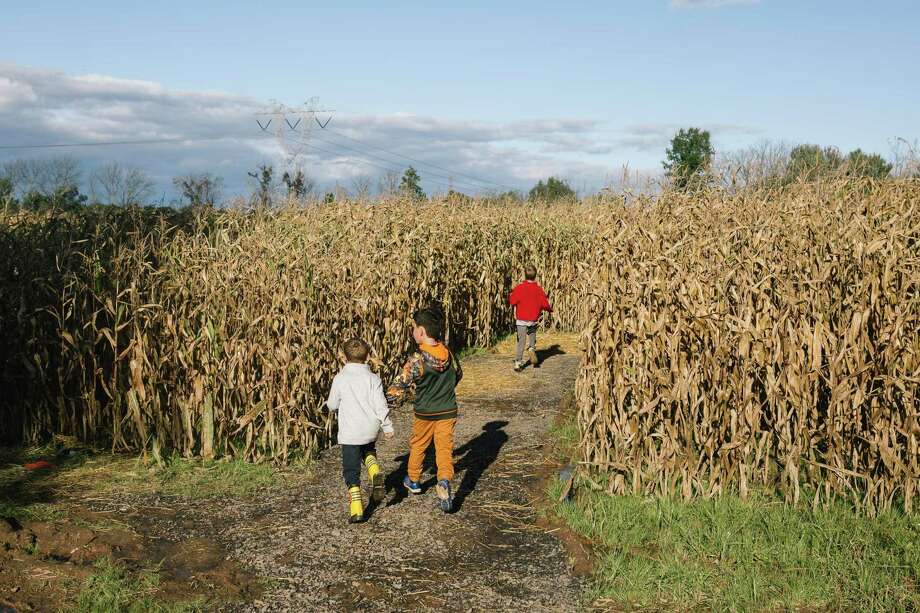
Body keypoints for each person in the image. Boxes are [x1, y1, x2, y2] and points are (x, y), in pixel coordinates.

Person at [386, 306, 463, 513]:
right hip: (448, 410)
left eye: (413, 329)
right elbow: (458, 375)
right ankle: (444, 480)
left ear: (421, 332)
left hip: (425, 412)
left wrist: (387, 402)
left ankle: (413, 479)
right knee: (444, 448)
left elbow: (398, 387)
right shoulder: (448, 353)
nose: (413, 332)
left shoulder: (417, 360)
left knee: (419, 444)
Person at [326, 337, 394, 524]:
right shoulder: (373, 378)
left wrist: (333, 404)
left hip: (350, 432)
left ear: (344, 358)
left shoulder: (340, 379)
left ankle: (357, 508)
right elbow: (381, 406)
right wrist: (387, 426)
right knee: (368, 451)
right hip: (370, 428)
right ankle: (374, 471)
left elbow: (332, 405)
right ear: (367, 357)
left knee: (351, 469)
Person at [508, 264, 553, 371]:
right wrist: (550, 310)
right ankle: (532, 347)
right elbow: (545, 304)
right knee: (532, 333)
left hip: (521, 319)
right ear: (535, 276)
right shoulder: (538, 289)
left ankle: (518, 362)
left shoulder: (520, 288)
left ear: (525, 275)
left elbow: (512, 301)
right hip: (532, 319)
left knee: (521, 341)